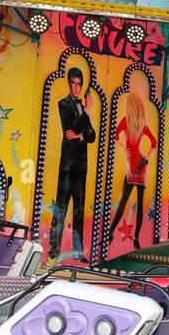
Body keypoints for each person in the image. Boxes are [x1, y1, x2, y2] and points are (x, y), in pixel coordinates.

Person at [49, 65, 96, 260]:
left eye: (79, 84)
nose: (76, 88)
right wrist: (86, 112)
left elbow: (91, 136)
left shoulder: (82, 109)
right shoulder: (64, 104)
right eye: (74, 84)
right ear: (69, 84)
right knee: (61, 207)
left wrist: (81, 135)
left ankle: (78, 251)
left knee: (79, 209)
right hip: (68, 166)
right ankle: (53, 249)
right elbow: (71, 130)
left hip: (81, 167)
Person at [108, 91, 157, 249]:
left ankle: (118, 235)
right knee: (133, 204)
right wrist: (144, 156)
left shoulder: (133, 123)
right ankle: (123, 236)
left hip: (138, 168)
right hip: (136, 168)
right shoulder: (133, 123)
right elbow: (153, 143)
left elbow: (154, 142)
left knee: (128, 203)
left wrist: (143, 156)